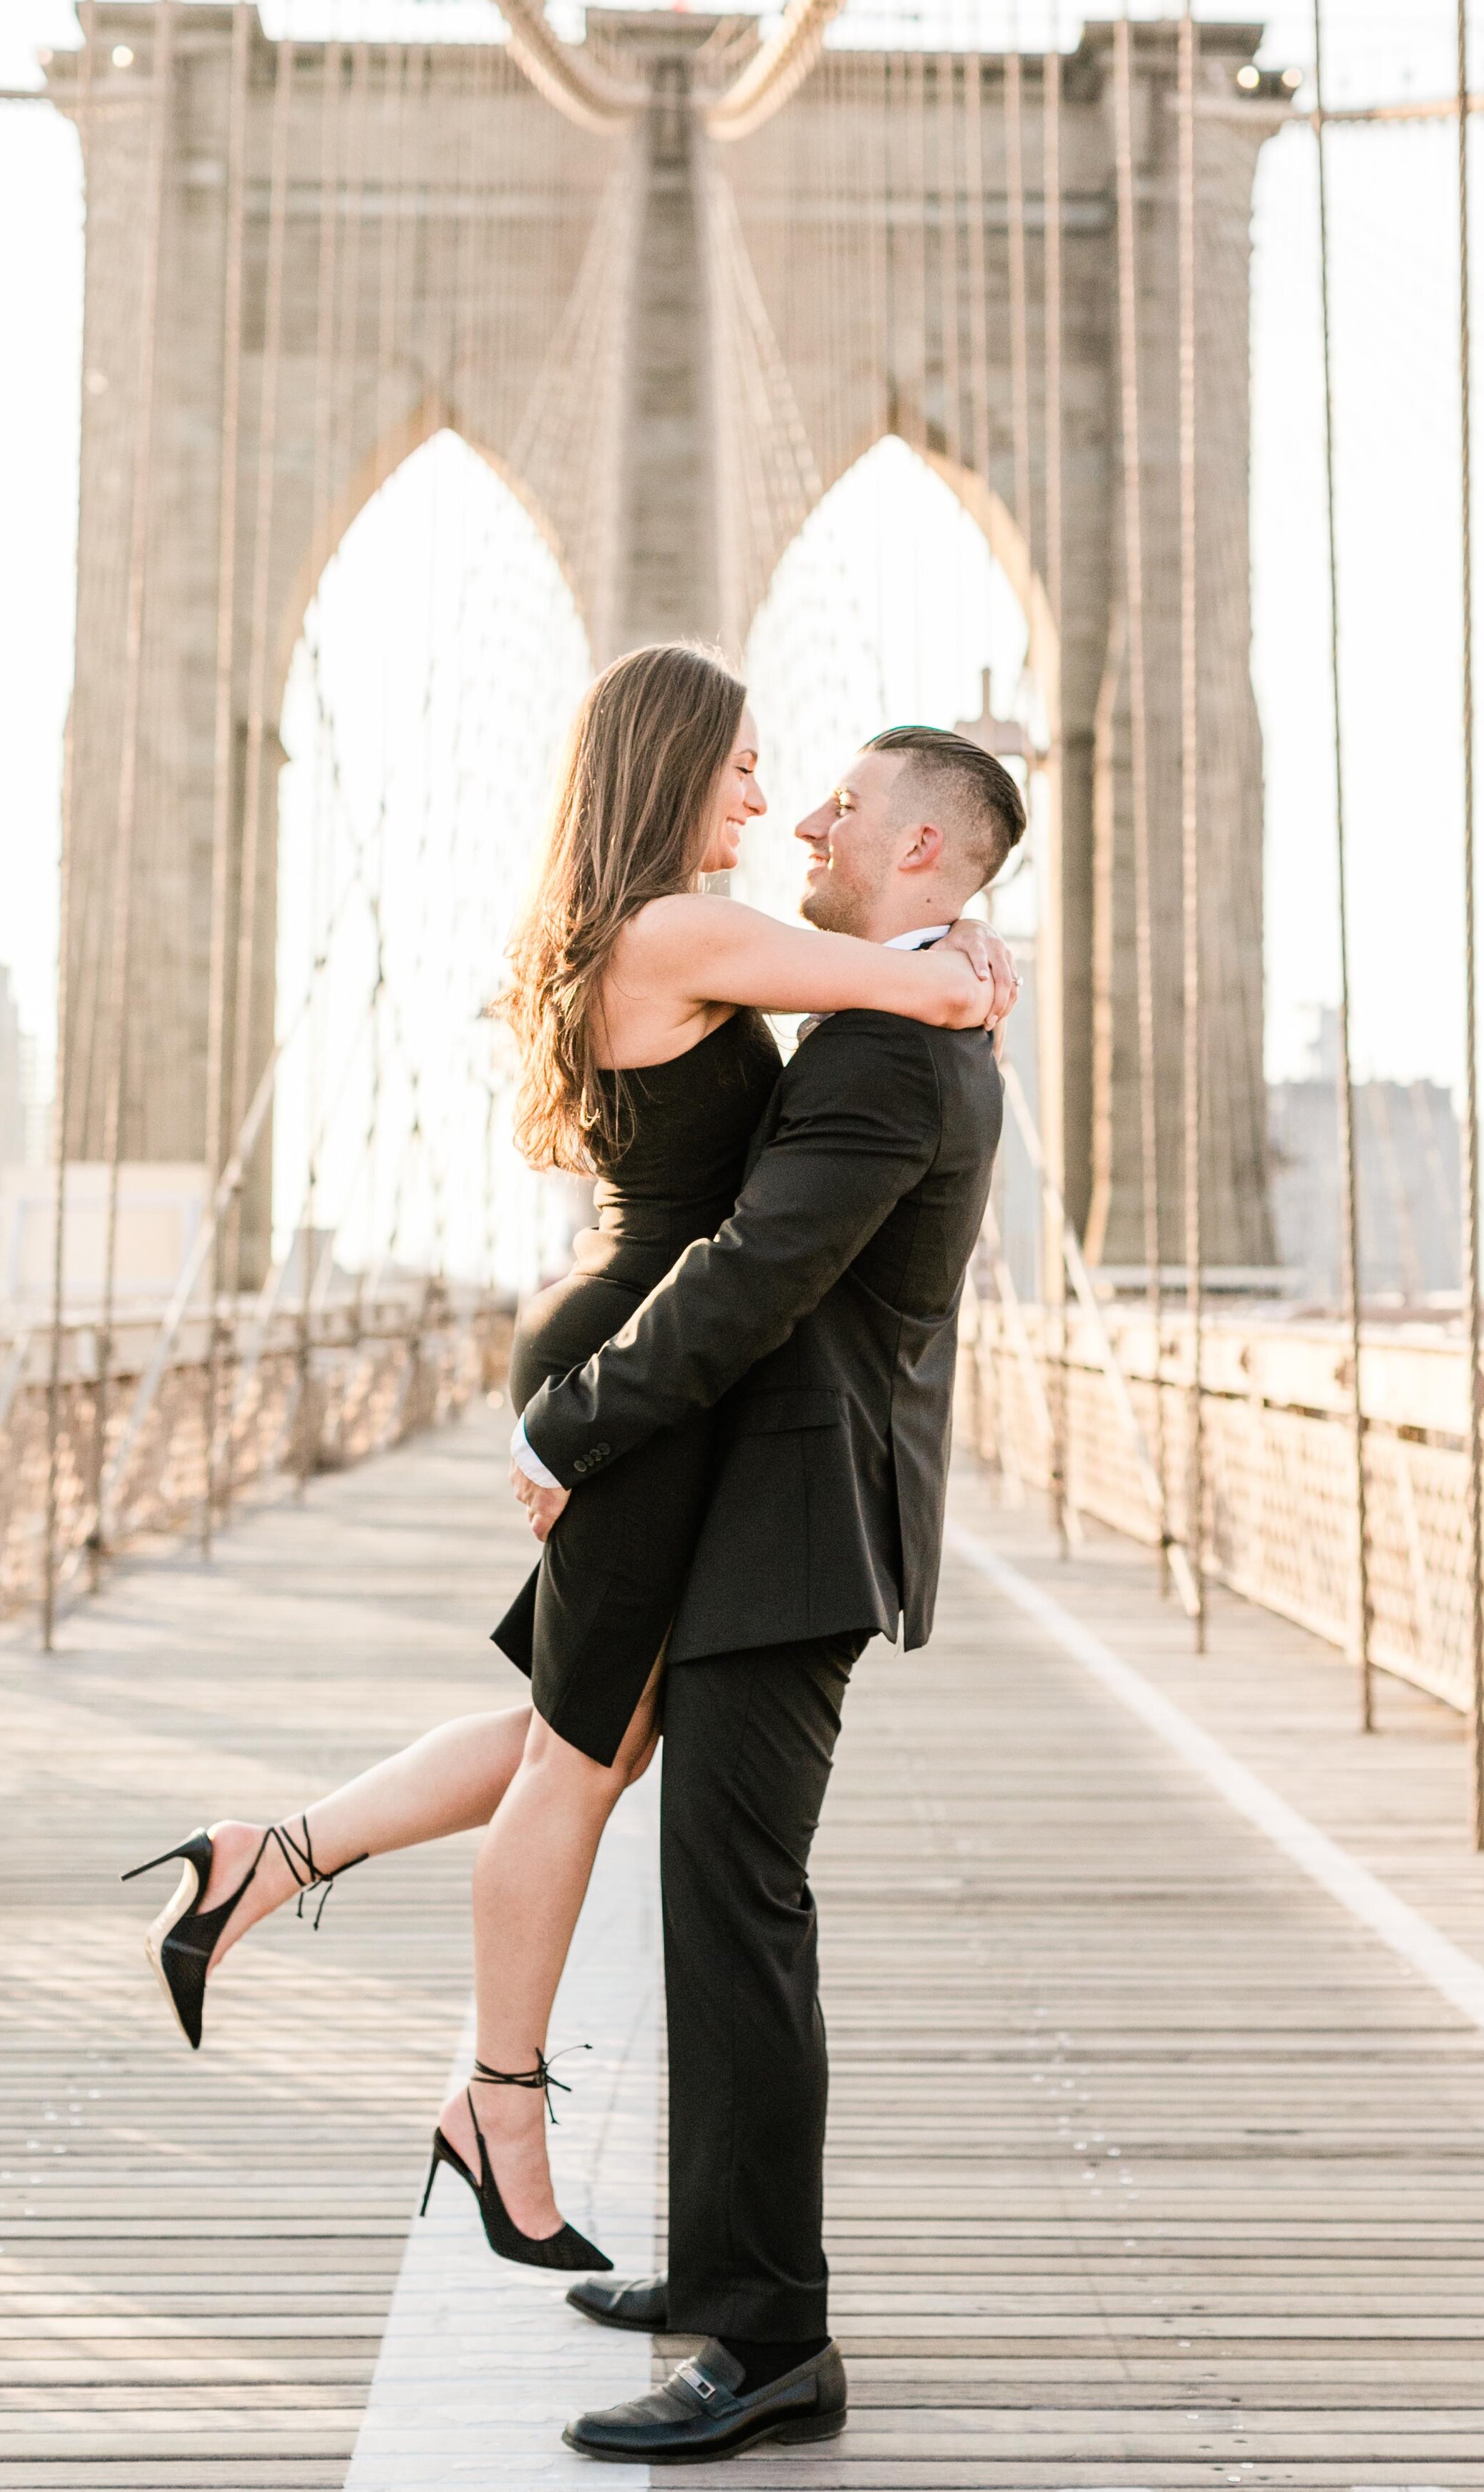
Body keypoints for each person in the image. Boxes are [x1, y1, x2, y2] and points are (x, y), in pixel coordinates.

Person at [123, 643, 1017, 2278]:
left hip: (622, 1341)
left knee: (582, 1725)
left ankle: (270, 1856)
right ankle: (497, 2104)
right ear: (674, 769)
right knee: (580, 1763)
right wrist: (961, 957)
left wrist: (940, 947)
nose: (765, 796)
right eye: (745, 765)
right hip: (632, 1371)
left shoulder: (637, 928)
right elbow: (923, 992)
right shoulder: (682, 929)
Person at [505, 720, 1025, 2463]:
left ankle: (767, 2338)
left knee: (737, 1915)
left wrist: (578, 1420)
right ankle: (720, 2267)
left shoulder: (885, 1050)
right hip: (771, 1511)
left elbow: (755, 1270)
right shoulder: (891, 1000)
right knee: (715, 1903)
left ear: (923, 860)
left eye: (846, 806)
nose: (802, 813)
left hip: (798, 1520)